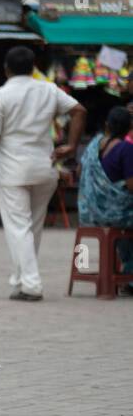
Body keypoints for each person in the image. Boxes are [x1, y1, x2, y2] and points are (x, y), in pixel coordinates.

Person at [0, 45, 87, 301]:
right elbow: (79, 111)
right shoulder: (48, 89)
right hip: (45, 168)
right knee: (31, 228)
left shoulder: (0, 96)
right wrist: (70, 147)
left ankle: (32, 284)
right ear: (34, 66)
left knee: (19, 229)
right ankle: (21, 281)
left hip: (14, 170)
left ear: (6, 69)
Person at [77, 106, 133, 288]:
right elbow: (131, 186)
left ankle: (127, 271)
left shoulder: (94, 145)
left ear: (107, 125)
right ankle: (129, 274)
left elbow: (80, 172)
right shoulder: (126, 149)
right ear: (129, 127)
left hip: (91, 212)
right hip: (115, 213)